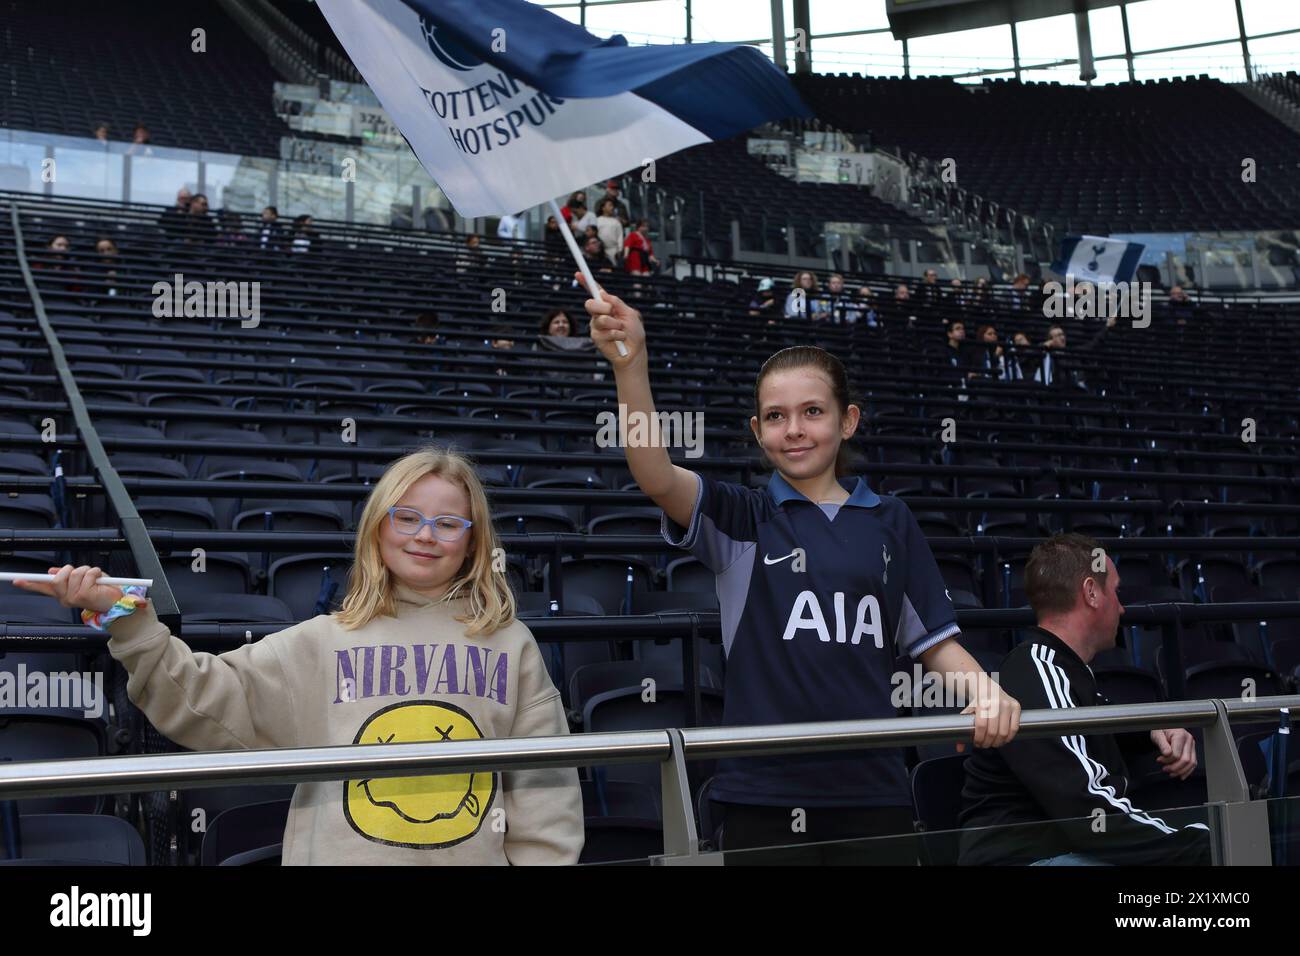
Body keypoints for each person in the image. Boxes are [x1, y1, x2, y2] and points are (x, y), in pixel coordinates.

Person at [583, 280, 1021, 864]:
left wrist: (985, 692)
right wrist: (630, 368)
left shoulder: (892, 520)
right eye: (775, 416)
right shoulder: (745, 515)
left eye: (813, 412)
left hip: (874, 786)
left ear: (848, 421)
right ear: (758, 431)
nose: (794, 429)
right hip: (762, 790)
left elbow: (933, 640)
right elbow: (657, 476)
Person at [14, 448, 584, 864]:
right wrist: (127, 617)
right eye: (406, 517)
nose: (425, 536)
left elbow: (546, 795)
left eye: (447, 523)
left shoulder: (511, 645)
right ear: (378, 529)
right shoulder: (322, 640)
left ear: (473, 539)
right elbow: (200, 697)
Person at [960, 533, 1210, 866]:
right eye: (1116, 591)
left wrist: (1153, 729)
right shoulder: (1035, 669)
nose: (1121, 607)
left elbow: (1100, 722)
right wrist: (1198, 844)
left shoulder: (1063, 671)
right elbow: (1087, 810)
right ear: (1092, 593)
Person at [594, 198, 624, 266]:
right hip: (601, 251)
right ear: (603, 208)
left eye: (612, 206)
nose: (612, 208)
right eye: (610, 205)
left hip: (614, 250)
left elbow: (620, 236)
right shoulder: (597, 220)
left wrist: (620, 250)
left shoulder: (616, 222)